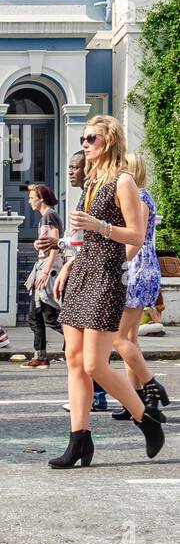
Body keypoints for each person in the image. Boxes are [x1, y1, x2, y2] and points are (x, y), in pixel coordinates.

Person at [50, 115, 164, 467]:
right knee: (73, 361)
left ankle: (145, 418)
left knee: (94, 363)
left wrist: (100, 226)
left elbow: (136, 234)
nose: (84, 144)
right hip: (83, 270)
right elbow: (86, 237)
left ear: (109, 141)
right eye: (84, 138)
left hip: (106, 276)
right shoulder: (91, 180)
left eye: (91, 139)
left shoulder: (123, 181)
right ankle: (79, 440)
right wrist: (68, 261)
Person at [42, 152, 108, 413]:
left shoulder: (95, 197)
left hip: (93, 277)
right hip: (79, 273)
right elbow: (79, 242)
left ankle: (134, 402)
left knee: (91, 350)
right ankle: (91, 398)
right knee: (77, 349)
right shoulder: (83, 196)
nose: (70, 171)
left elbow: (92, 242)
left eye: (75, 167)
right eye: (68, 167)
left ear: (88, 168)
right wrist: (61, 251)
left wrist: (63, 252)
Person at [111, 152, 168, 421]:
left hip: (135, 270)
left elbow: (136, 239)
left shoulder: (140, 199)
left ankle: (151, 390)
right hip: (142, 269)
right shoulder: (144, 197)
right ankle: (134, 399)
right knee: (129, 339)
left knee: (119, 338)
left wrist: (118, 262)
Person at [23, 184, 63, 369]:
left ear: (41, 198)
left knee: (49, 315)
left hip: (48, 269)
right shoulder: (44, 218)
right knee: (35, 315)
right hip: (42, 267)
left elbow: (55, 245)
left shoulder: (49, 215)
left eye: (32, 197)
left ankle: (79, 339)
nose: (29, 200)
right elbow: (48, 243)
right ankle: (40, 356)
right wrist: (37, 244)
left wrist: (46, 271)